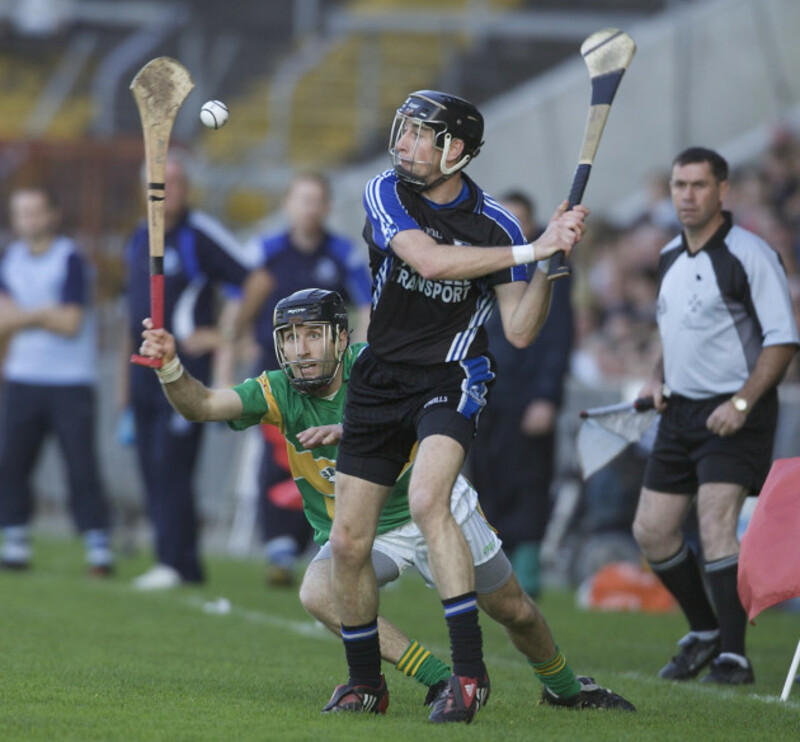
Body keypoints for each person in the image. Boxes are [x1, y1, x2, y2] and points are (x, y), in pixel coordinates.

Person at [136, 287, 634, 716]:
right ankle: (438, 678)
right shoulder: (277, 389)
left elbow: (432, 416)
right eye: (289, 338)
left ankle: (566, 688)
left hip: (431, 504)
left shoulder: (379, 367)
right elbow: (201, 404)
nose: (301, 349)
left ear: (339, 336)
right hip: (365, 528)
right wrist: (171, 366)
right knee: (317, 592)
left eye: (312, 334)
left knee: (513, 610)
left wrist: (354, 430)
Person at [328, 89, 588, 723]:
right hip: (380, 378)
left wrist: (553, 265)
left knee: (426, 499)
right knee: (348, 542)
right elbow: (429, 260)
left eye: (421, 135)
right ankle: (367, 684)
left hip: (452, 377)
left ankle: (467, 677)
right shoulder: (385, 193)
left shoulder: (497, 224)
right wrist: (534, 248)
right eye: (406, 131)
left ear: (458, 152)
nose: (405, 144)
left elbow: (520, 329)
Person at [632, 147, 799, 685]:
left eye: (699, 185)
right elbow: (673, 329)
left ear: (722, 191)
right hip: (680, 412)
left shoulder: (750, 254)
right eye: (680, 184)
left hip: (736, 408)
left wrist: (743, 403)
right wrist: (657, 378)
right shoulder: (666, 256)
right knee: (652, 531)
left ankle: (735, 656)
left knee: (714, 520)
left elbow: (783, 340)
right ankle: (705, 631)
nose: (687, 195)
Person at [121, 156, 256, 590]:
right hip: (143, 376)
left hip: (183, 375)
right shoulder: (137, 239)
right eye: (157, 184)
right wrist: (124, 389)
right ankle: (183, 564)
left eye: (174, 183)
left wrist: (223, 334)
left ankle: (174, 563)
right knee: (150, 468)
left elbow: (256, 281)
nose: (166, 191)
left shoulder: (199, 235)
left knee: (172, 467)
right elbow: (132, 316)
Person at [235, 172, 372, 586]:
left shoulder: (343, 254)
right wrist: (234, 344)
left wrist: (357, 360)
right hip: (275, 373)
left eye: (317, 201)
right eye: (302, 200)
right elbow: (241, 303)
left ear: (326, 207)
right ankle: (279, 544)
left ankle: (326, 542)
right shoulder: (265, 253)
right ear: (287, 206)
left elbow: (367, 306)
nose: (309, 208)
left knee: (327, 455)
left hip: (327, 377)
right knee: (278, 454)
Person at [0, 186, 113, 575]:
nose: (28, 220)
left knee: (80, 465)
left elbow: (69, 322)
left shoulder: (71, 259)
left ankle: (98, 547)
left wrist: (24, 317)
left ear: (52, 215)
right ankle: (15, 541)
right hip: (22, 377)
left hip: (70, 380)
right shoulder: (10, 258)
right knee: (12, 463)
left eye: (35, 211)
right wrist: (43, 313)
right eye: (21, 212)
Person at [469, 190, 573, 598]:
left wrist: (547, 397)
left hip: (528, 397)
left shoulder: (550, 270)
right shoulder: (478, 267)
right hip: (483, 394)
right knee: (487, 480)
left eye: (519, 219)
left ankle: (527, 563)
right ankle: (496, 566)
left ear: (531, 226)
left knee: (529, 480)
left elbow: (560, 338)